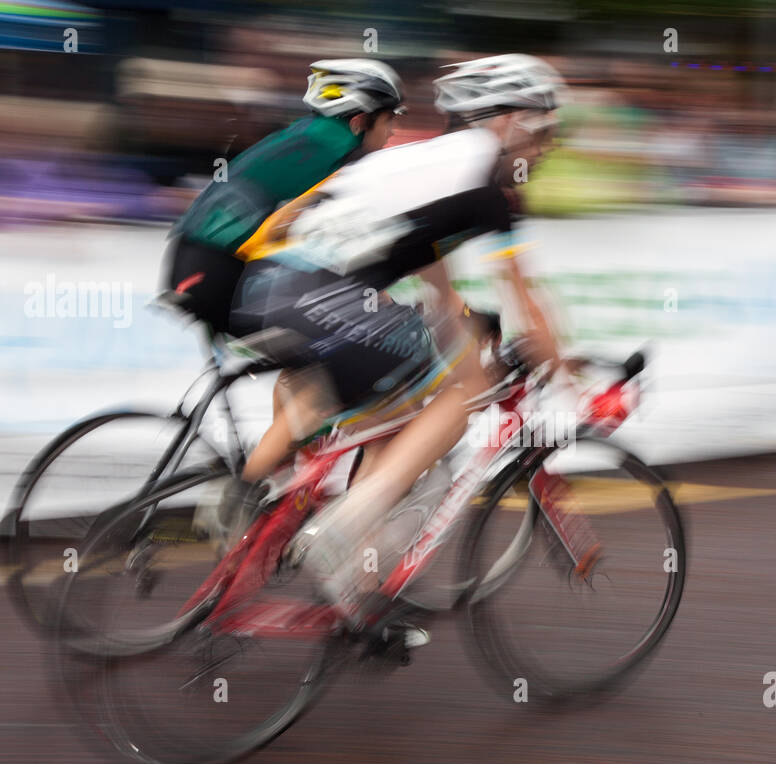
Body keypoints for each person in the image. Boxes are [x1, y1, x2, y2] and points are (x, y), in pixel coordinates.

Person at [227, 54, 568, 632]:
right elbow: (525, 300)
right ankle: (340, 533)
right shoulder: (486, 182)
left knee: (414, 402)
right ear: (510, 120)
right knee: (460, 401)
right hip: (310, 292)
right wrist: (571, 373)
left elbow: (441, 300)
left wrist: (474, 346)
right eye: (546, 128)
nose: (549, 147)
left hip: (267, 287)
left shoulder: (433, 167)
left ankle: (350, 579)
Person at [162, 59, 405, 335]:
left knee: (336, 346)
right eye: (389, 119)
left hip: (195, 269)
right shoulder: (339, 151)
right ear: (360, 121)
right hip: (220, 277)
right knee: (365, 339)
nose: (392, 132)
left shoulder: (308, 137)